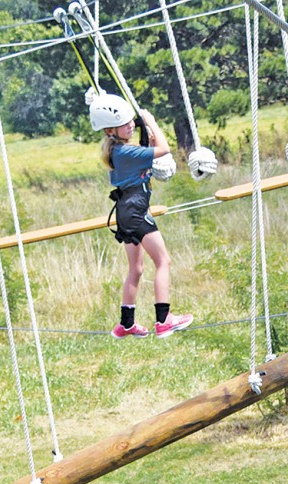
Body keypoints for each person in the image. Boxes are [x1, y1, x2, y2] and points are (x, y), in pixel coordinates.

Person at [89, 93, 194, 339]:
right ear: (110, 130)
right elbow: (164, 149)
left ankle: (126, 324)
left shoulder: (119, 150)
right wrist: (150, 120)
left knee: (136, 268)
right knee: (163, 262)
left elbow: (146, 144)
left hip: (126, 213)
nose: (130, 126)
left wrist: (139, 124)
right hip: (136, 212)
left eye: (130, 122)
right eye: (124, 123)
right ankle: (164, 320)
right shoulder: (126, 153)